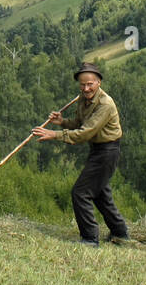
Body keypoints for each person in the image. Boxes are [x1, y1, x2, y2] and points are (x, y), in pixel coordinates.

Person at [32, 62, 130, 246]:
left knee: (81, 192)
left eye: (90, 84)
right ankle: (120, 233)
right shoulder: (82, 100)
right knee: (100, 194)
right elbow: (79, 123)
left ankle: (90, 238)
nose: (86, 88)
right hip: (97, 150)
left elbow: (85, 133)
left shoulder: (105, 104)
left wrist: (54, 135)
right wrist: (62, 122)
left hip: (108, 151)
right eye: (82, 85)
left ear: (99, 82)